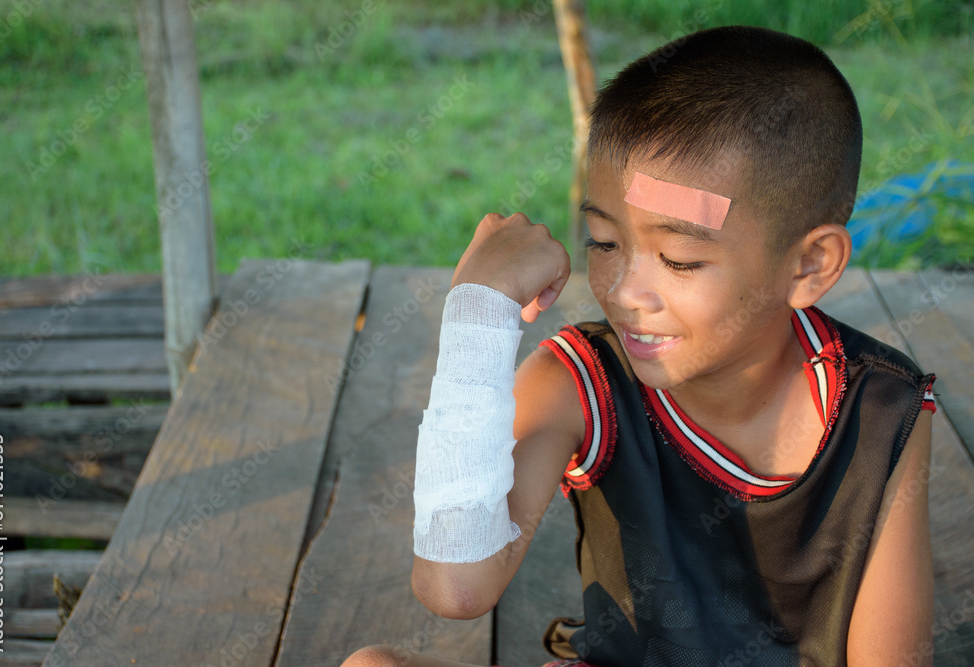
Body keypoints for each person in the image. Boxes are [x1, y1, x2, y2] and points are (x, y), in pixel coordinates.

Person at [343, 24, 937, 667]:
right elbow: (454, 586)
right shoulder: (581, 381)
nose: (624, 291)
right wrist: (476, 318)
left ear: (809, 265)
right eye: (603, 242)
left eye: (679, 259)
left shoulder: (881, 409)